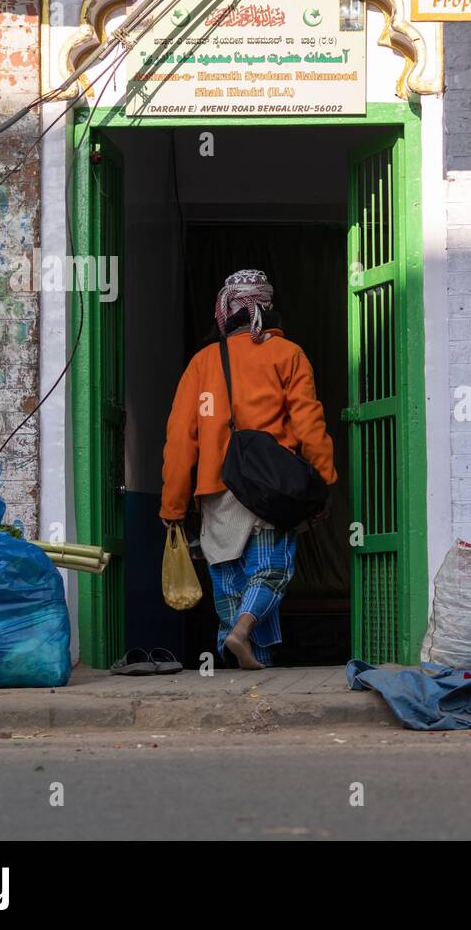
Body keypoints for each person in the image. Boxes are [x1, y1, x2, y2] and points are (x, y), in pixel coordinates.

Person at [161, 269, 337, 669]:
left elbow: (179, 440)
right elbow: (310, 425)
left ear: (227, 309)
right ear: (267, 307)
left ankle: (245, 669)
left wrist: (173, 506)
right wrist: (323, 481)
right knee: (271, 570)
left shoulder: (202, 362)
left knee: (229, 582)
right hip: (269, 488)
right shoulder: (287, 354)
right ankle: (242, 633)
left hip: (214, 490)